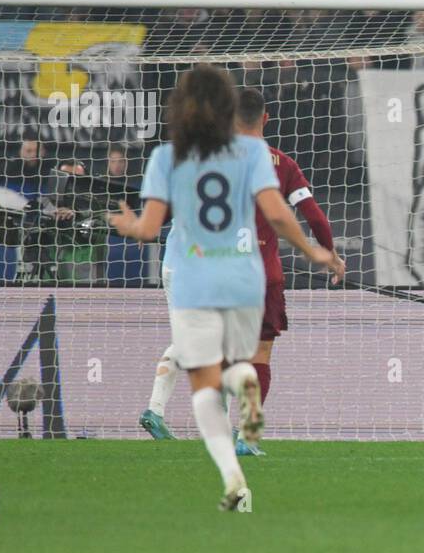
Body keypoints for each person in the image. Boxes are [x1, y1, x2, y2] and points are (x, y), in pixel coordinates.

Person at [108, 65, 336, 510]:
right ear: (264, 118)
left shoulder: (181, 157)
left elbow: (152, 226)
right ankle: (240, 434)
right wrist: (317, 253)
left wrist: (129, 223)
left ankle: (214, 442)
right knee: (241, 354)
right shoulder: (263, 163)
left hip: (193, 268)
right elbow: (283, 216)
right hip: (244, 271)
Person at [139, 88, 344, 450]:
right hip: (263, 274)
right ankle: (245, 436)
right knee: (258, 355)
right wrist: (329, 252)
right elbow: (313, 215)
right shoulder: (283, 164)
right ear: (265, 119)